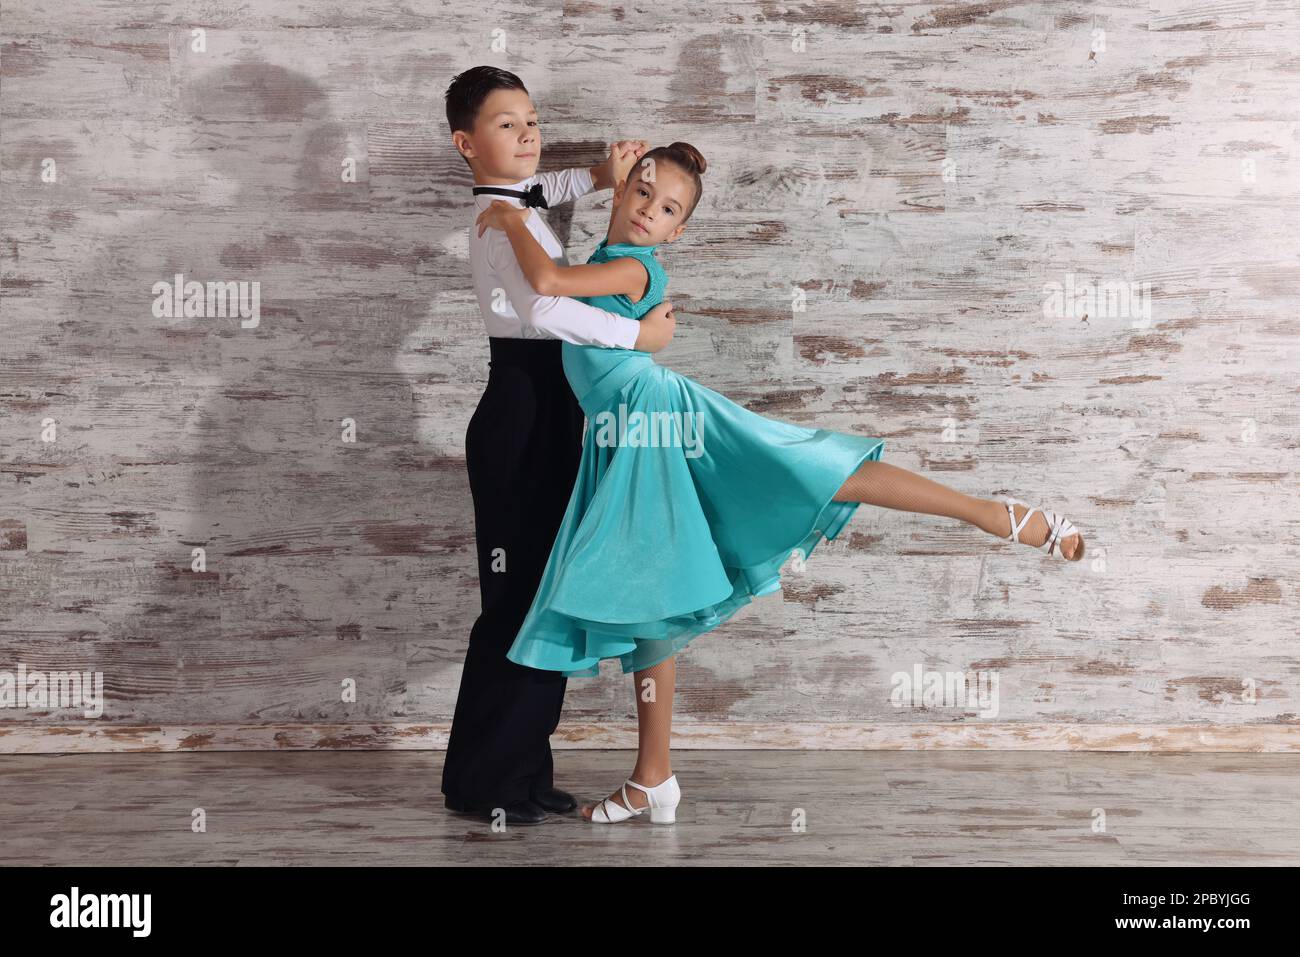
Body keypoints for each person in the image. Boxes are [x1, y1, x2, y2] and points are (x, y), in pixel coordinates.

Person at [476, 140, 1087, 825]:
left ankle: (986, 512)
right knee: (654, 596)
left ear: (679, 231)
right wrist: (573, 184)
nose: (651, 210)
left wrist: (503, 217)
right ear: (620, 194)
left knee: (810, 467)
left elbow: (547, 285)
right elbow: (561, 287)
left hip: (663, 424)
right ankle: (653, 777)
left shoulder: (630, 271)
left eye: (669, 208)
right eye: (643, 193)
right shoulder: (610, 261)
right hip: (625, 443)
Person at [440, 66, 676, 825]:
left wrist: (601, 175)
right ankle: (485, 781)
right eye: (507, 124)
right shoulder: (494, 221)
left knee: (543, 593)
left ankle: (524, 767)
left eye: (532, 119)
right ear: (466, 144)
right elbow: (548, 307)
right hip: (520, 409)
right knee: (513, 603)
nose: (529, 132)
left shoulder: (519, 200)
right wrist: (637, 334)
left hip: (550, 410)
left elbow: (550, 190)